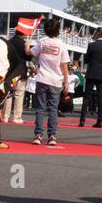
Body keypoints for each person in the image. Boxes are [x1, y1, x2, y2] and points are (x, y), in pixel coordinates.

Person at [28, 17, 69, 146]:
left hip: (42, 78)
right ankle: (52, 136)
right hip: (56, 81)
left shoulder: (42, 42)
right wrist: (66, 82)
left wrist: (26, 45)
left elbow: (31, 53)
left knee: (40, 108)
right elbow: (64, 65)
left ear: (45, 29)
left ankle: (38, 135)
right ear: (58, 30)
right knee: (53, 109)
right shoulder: (61, 45)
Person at [79, 31, 102, 128]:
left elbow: (86, 59)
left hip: (91, 71)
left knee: (86, 96)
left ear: (98, 34)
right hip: (101, 73)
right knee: (101, 97)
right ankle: (100, 120)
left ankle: (82, 119)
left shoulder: (92, 45)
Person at [2, 21, 32, 124]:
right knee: (19, 94)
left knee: (9, 94)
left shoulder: (8, 42)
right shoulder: (24, 44)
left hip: (10, 71)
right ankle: (17, 117)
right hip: (21, 71)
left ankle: (5, 116)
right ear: (23, 33)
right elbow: (29, 57)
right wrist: (28, 47)